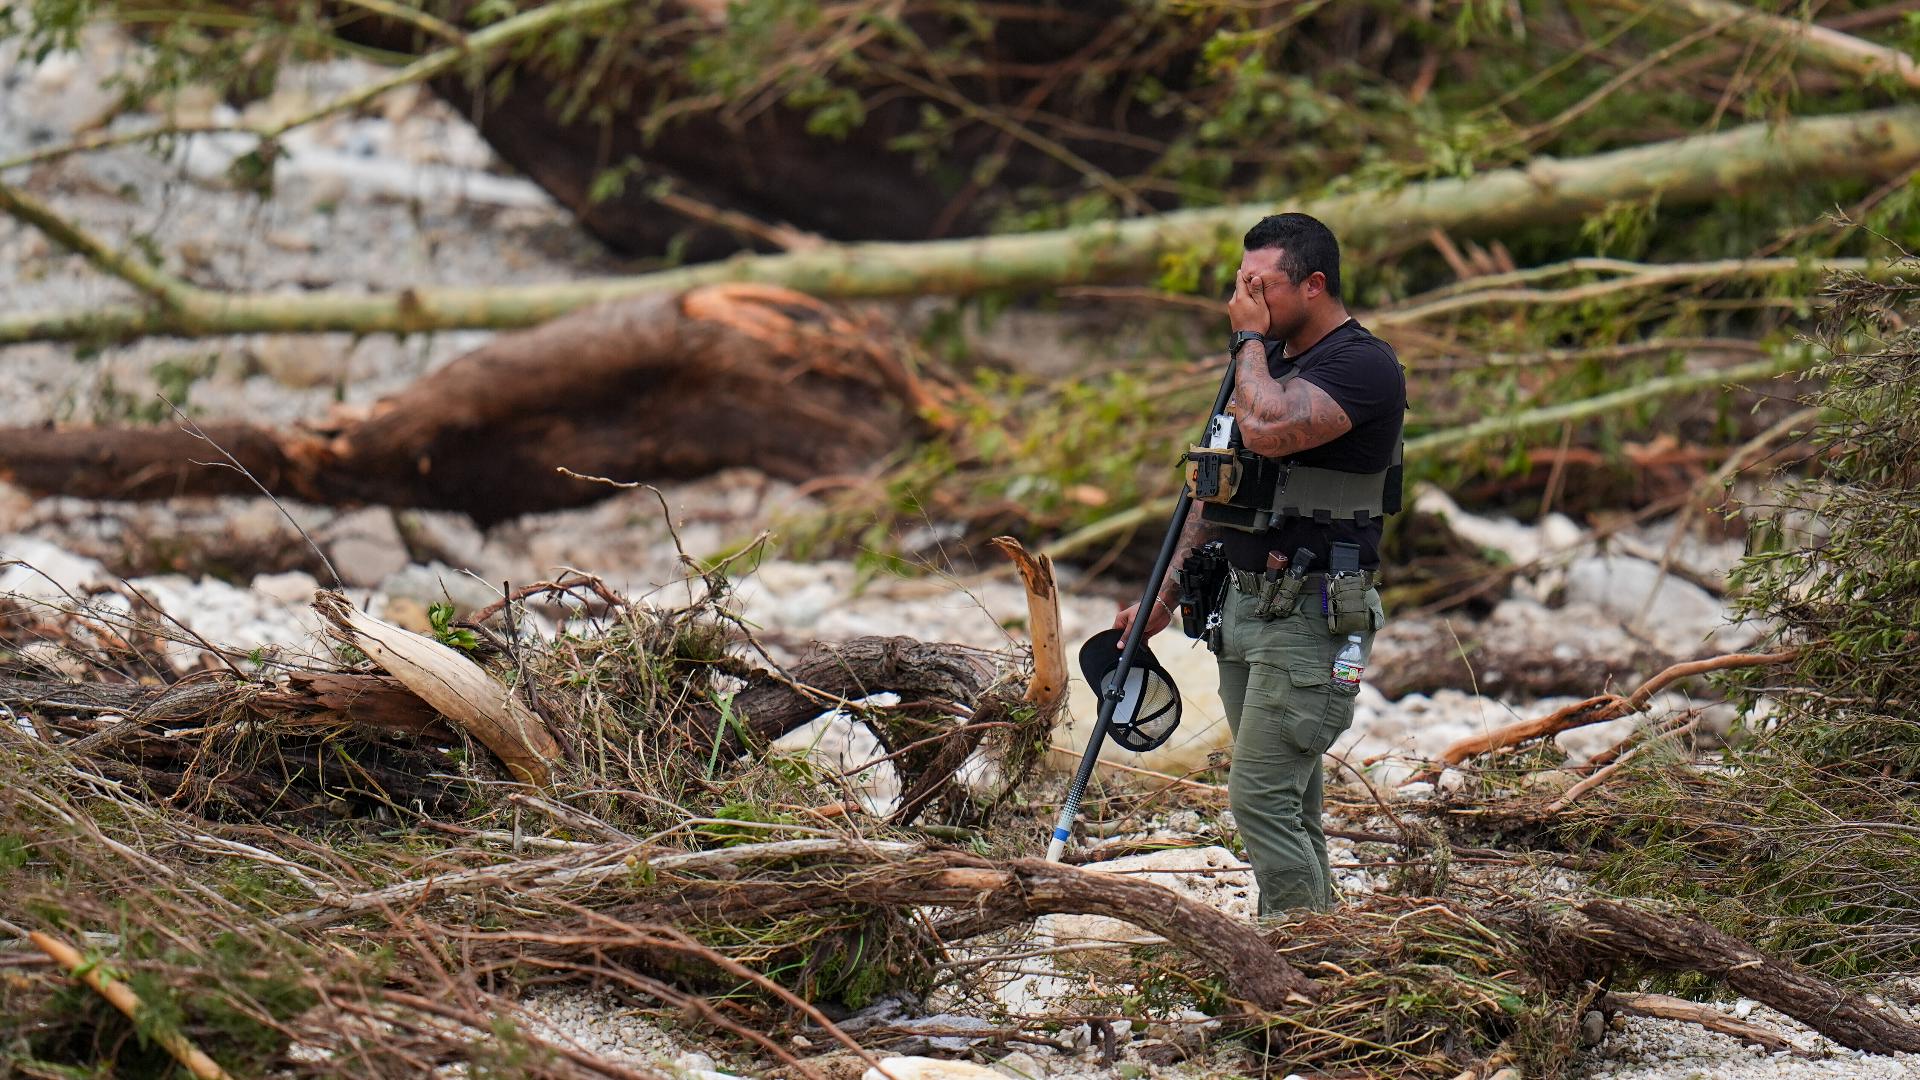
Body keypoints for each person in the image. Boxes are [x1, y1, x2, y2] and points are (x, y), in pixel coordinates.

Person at [1114, 212, 1406, 915]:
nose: (1242, 301)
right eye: (1238, 285)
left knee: (1260, 797)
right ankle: (1323, 958)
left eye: (1259, 286)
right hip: (1245, 609)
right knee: (1291, 800)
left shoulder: (1362, 365)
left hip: (1315, 617)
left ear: (1312, 285)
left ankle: (1294, 961)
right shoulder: (1262, 365)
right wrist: (1167, 591)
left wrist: (1247, 340)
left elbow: (1272, 430)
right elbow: (1213, 490)